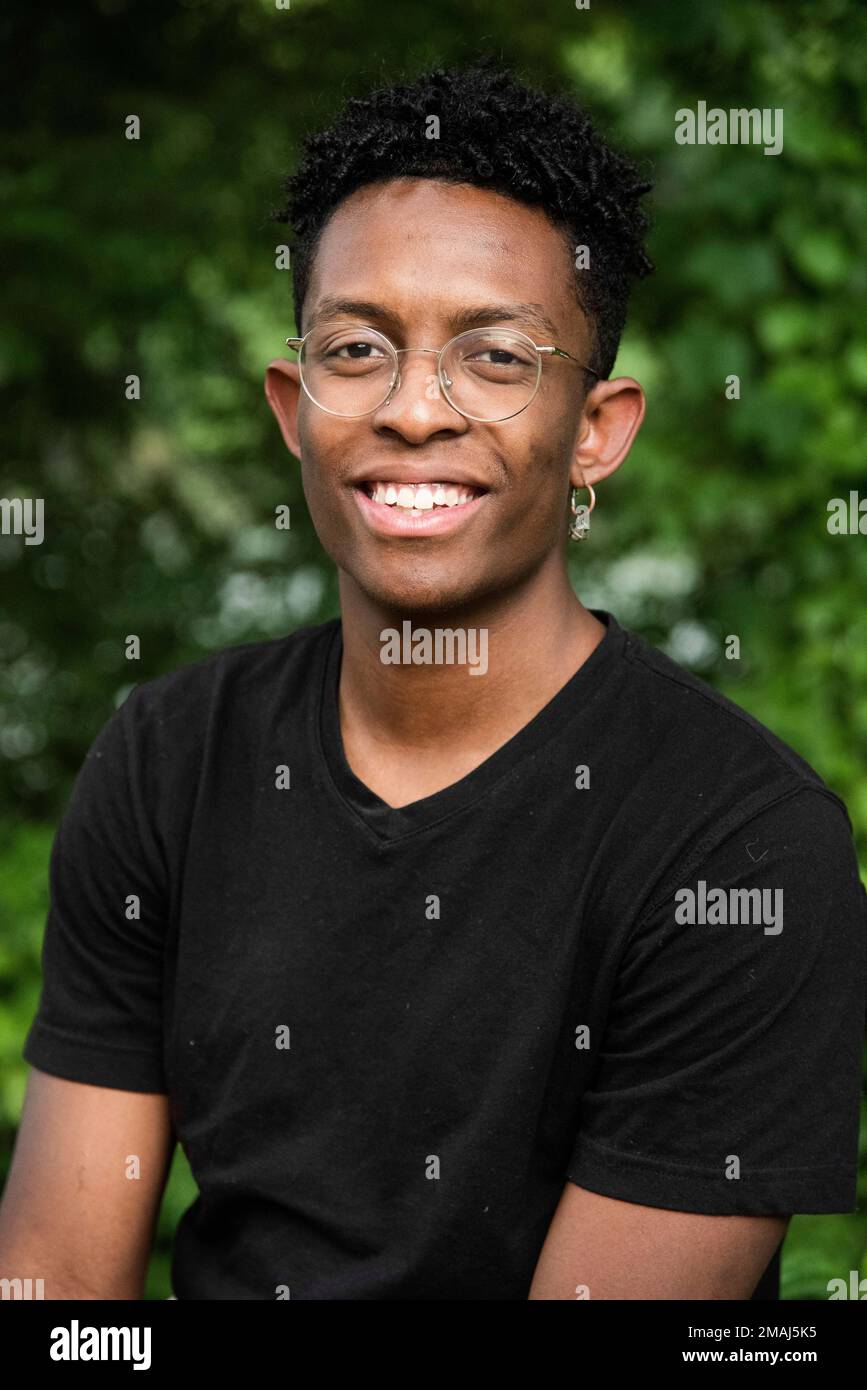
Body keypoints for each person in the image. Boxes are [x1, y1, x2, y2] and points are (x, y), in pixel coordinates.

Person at [1, 58, 864, 1302]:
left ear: (599, 431)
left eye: (497, 358)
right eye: (359, 347)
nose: (415, 408)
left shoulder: (739, 849)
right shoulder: (167, 758)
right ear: (294, 408)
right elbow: (62, 1298)